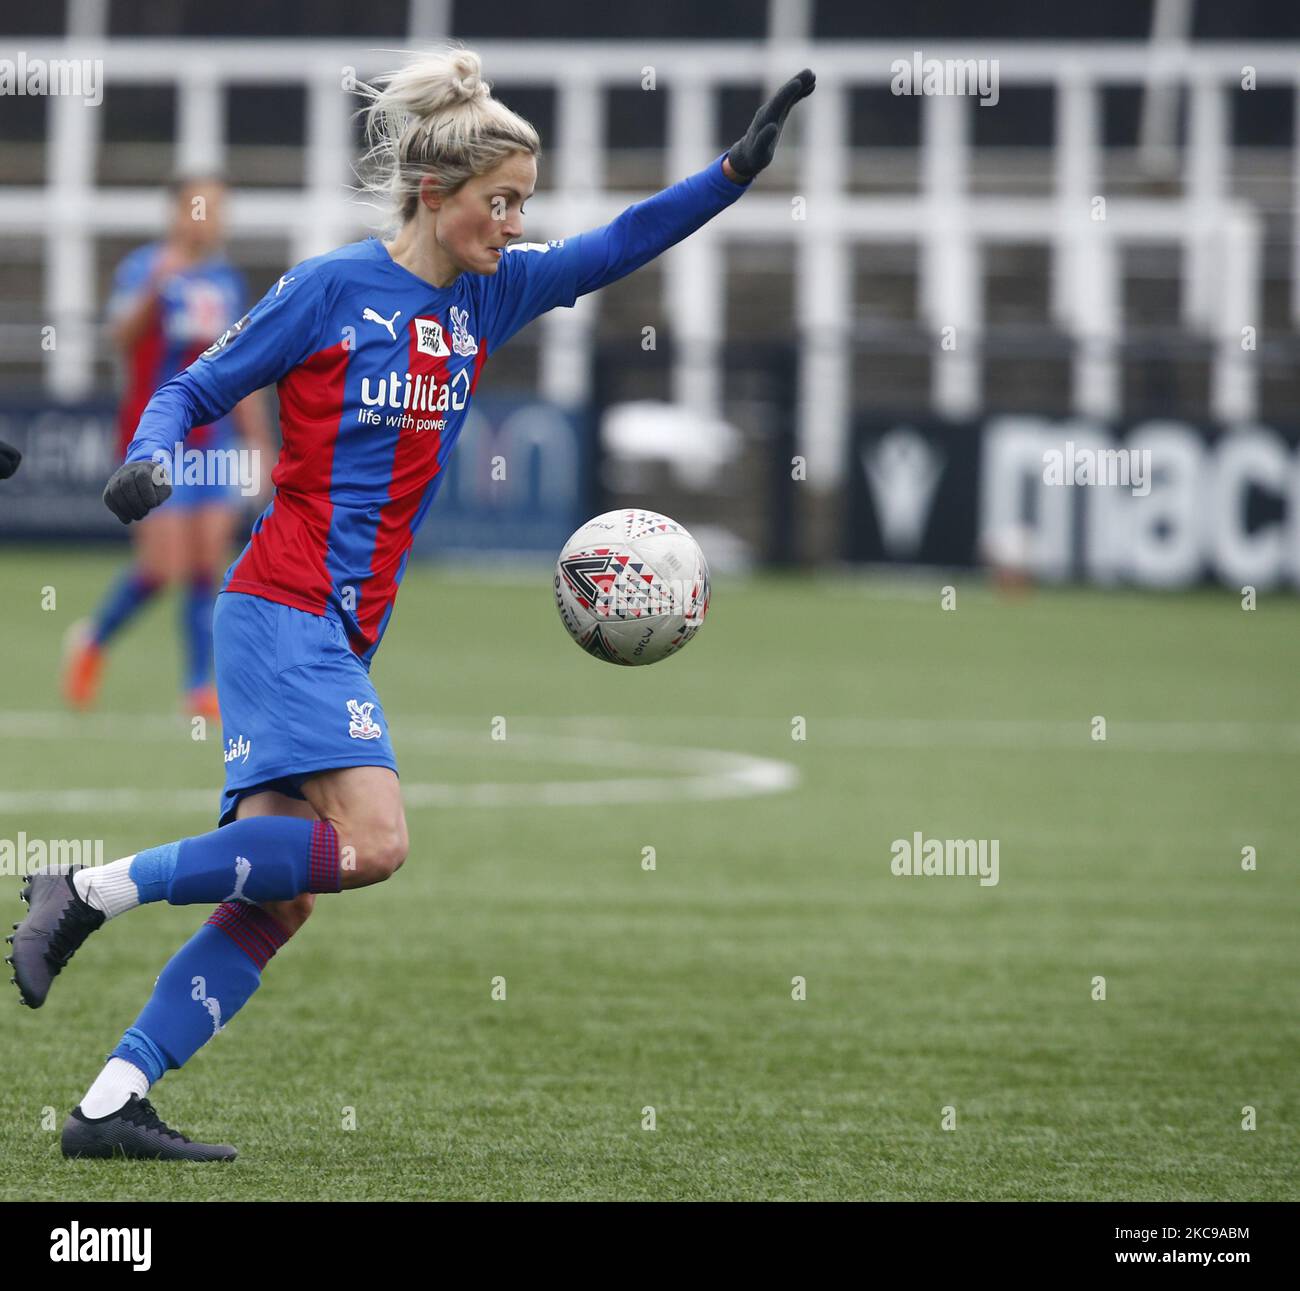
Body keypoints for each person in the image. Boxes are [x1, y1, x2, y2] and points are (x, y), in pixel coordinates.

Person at [8, 44, 814, 1160]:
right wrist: (152, 453)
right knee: (375, 842)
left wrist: (731, 171)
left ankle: (108, 1104)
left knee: (278, 895)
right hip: (281, 605)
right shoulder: (334, 287)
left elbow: (616, 246)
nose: (515, 223)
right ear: (436, 194)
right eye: (500, 202)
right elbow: (196, 384)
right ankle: (88, 886)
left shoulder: (493, 293)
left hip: (337, 627)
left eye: (524, 202)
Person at [62, 175, 275, 720]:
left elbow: (238, 367)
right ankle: (93, 640)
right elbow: (120, 339)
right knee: (162, 566)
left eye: (220, 209)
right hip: (155, 434)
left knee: (209, 559)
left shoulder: (226, 280)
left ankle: (197, 686)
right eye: (203, 208)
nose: (212, 219)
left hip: (214, 439)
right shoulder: (146, 267)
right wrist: (156, 286)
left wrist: (258, 441)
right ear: (179, 212)